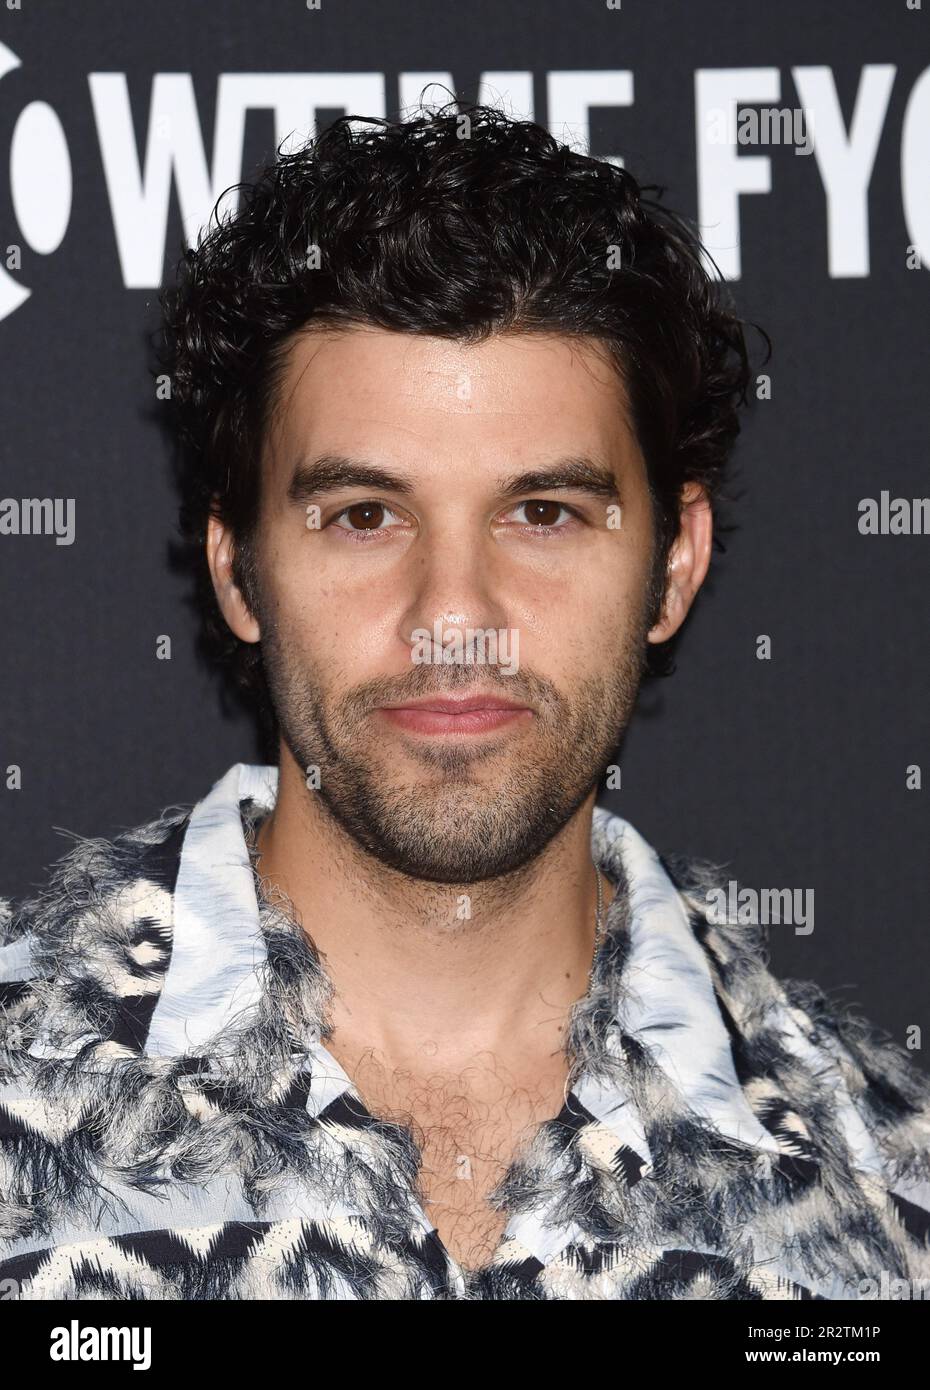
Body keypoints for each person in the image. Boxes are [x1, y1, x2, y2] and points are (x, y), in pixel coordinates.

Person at [1, 104, 928, 1302]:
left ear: (676, 564)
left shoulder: (889, 1203)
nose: (454, 612)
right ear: (237, 569)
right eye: (364, 515)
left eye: (542, 513)